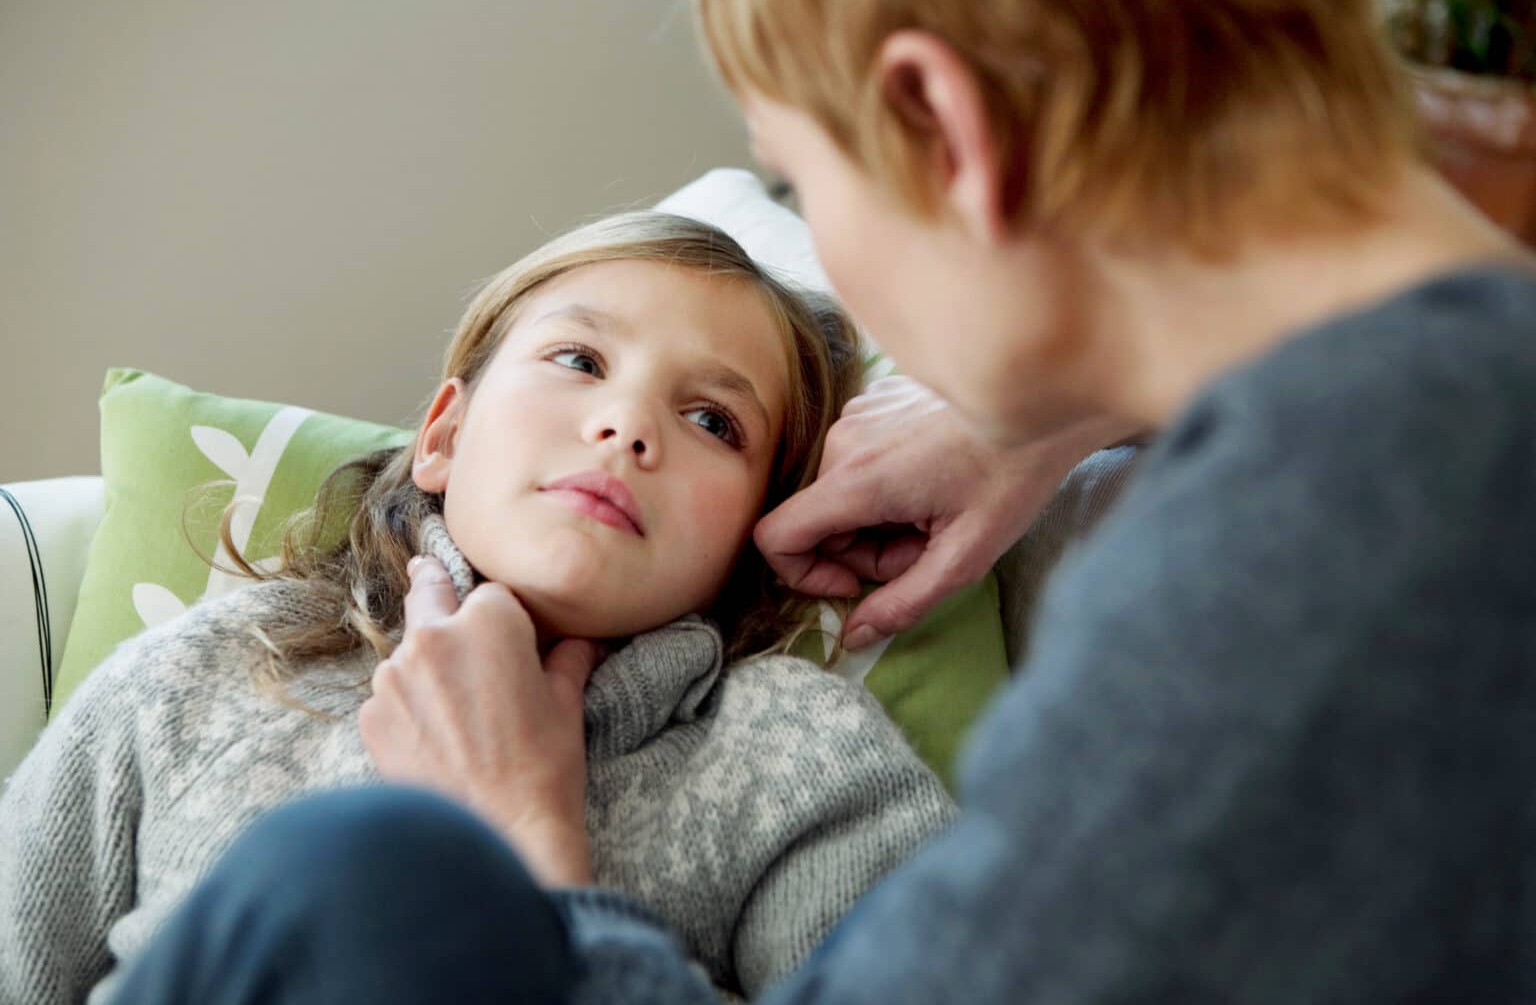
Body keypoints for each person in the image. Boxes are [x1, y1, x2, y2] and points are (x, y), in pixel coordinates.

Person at [44, 0, 1536, 1001]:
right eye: (577, 362)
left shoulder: (1313, 562)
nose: (625, 430)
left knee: (370, 872)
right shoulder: (1430, 441)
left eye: (802, 186)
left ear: (942, 126)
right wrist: (1057, 397)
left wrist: (520, 863)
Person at [0, 211, 958, 1004]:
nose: (626, 426)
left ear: (754, 531)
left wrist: (532, 842)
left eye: (714, 421)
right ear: (445, 437)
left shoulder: (795, 757)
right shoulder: (202, 675)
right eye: (580, 360)